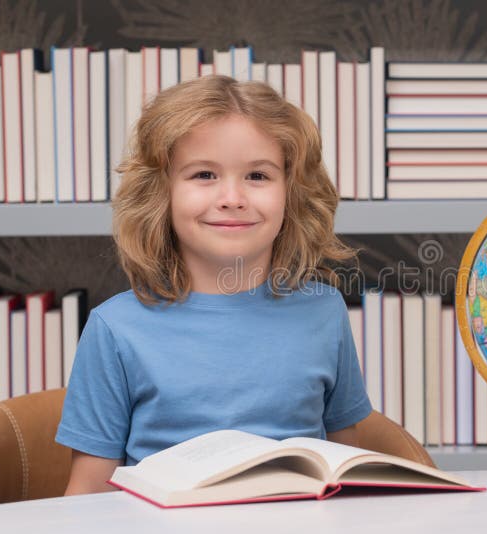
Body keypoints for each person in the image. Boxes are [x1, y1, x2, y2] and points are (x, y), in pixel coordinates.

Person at [55, 75, 372, 495]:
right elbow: (86, 499)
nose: (232, 197)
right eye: (204, 174)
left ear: (291, 195)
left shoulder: (325, 311)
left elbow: (346, 470)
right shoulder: (115, 328)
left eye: (258, 176)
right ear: (160, 194)